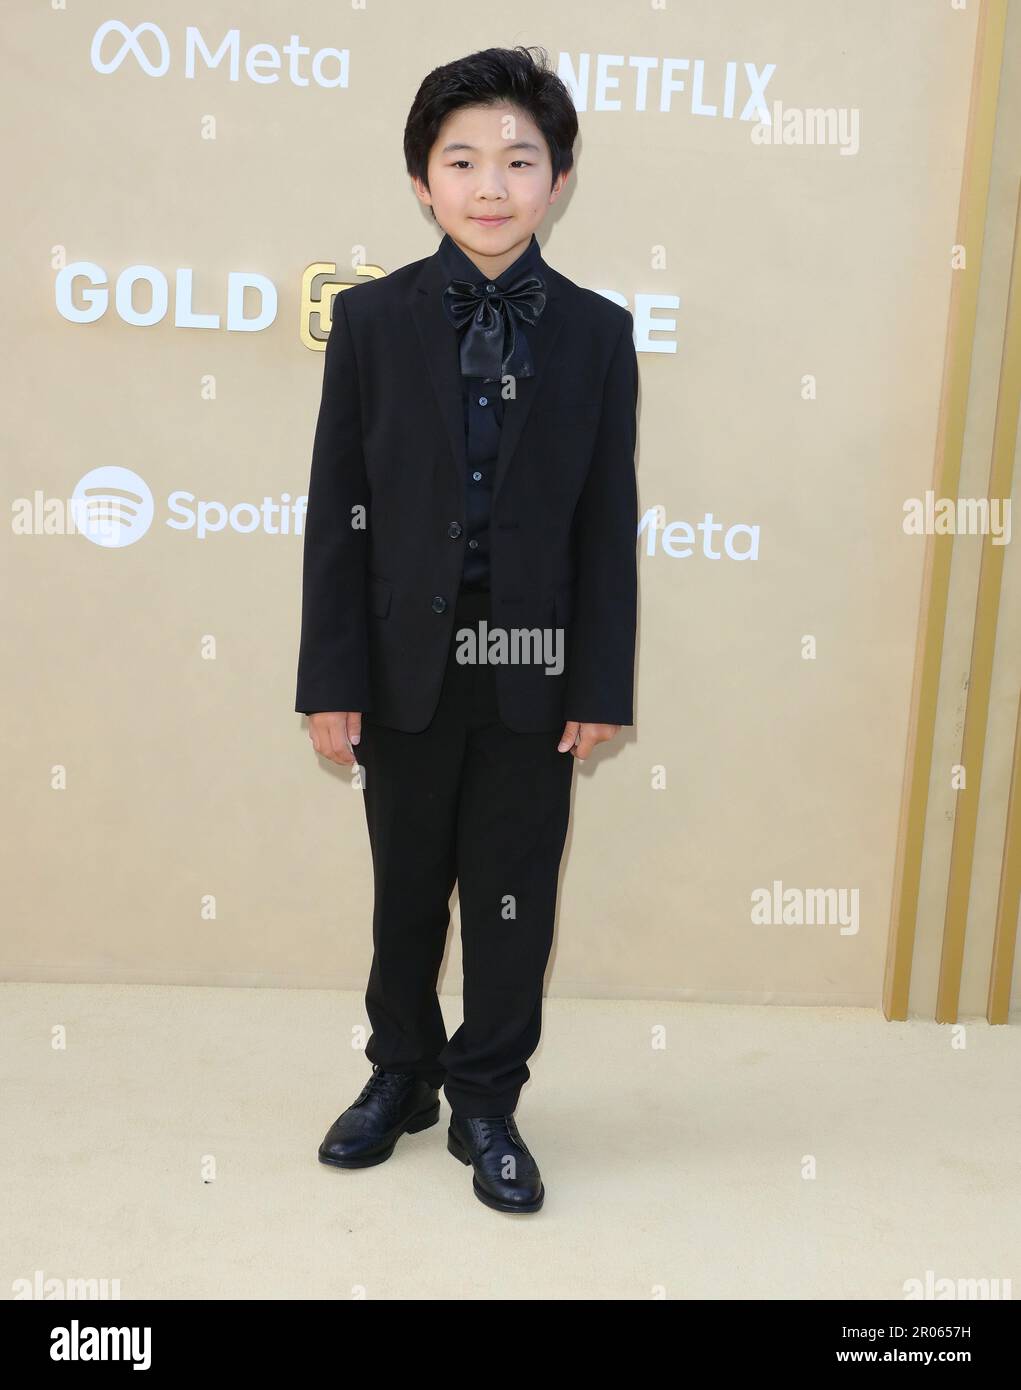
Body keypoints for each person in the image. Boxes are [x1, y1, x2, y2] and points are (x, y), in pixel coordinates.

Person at [295, 45, 639, 1214]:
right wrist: (328, 676)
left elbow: (606, 522)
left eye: (518, 160)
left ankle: (487, 1093)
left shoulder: (597, 332)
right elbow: (335, 515)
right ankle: (400, 1073)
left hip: (532, 663)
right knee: (406, 883)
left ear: (559, 178)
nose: (490, 184)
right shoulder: (372, 320)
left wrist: (600, 679)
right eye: (462, 160)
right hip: (401, 659)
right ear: (421, 181)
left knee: (511, 887)